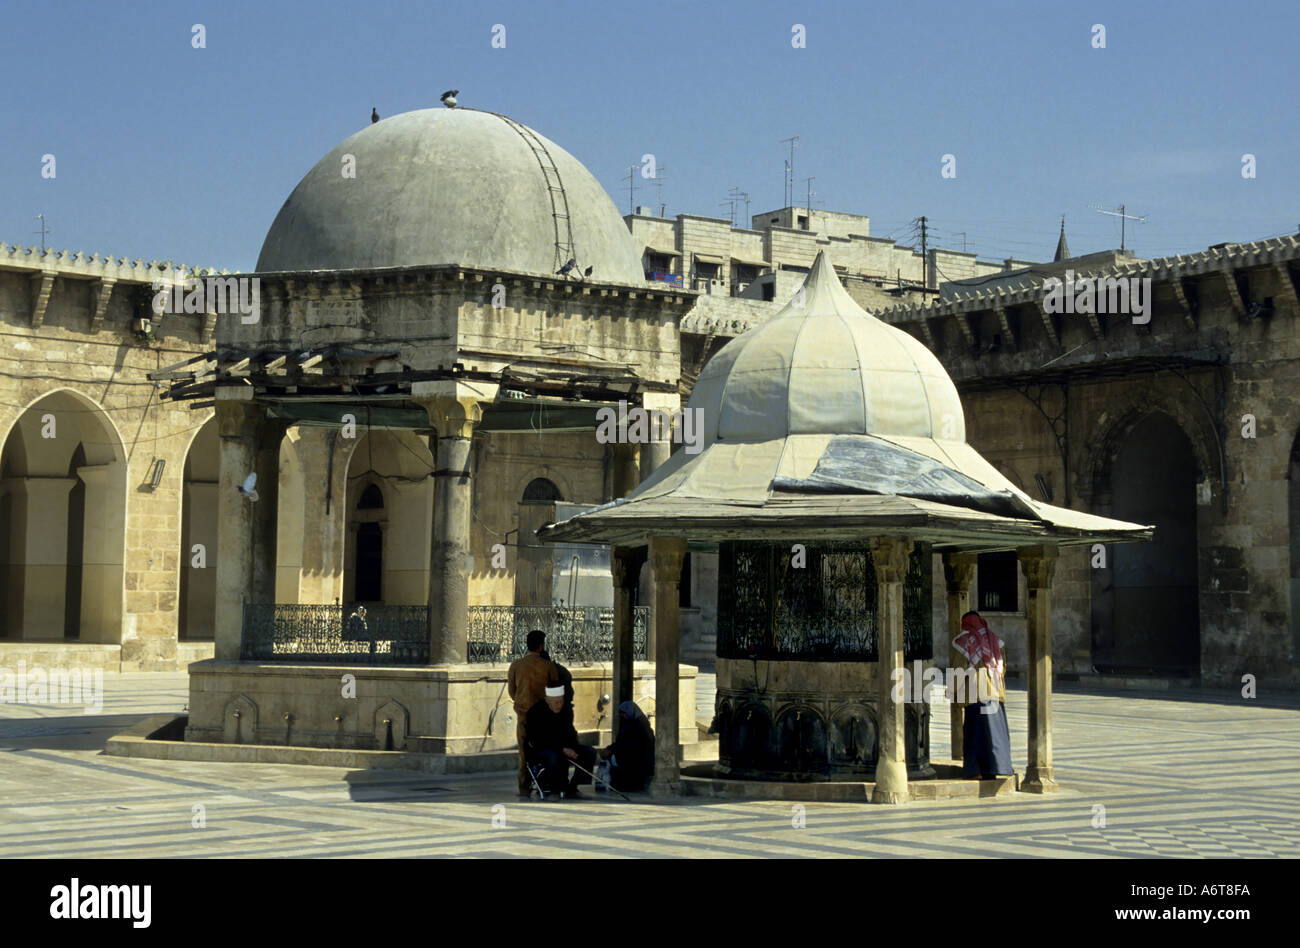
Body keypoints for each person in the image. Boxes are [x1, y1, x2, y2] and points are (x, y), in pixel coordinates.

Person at [953, 611, 1013, 779]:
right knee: (995, 732)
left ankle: (975, 771)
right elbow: (1004, 666)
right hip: (995, 693)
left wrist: (952, 690)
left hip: (976, 695)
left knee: (975, 734)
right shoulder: (996, 640)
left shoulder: (963, 641)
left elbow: (958, 669)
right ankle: (996, 768)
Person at [507, 630, 557, 797]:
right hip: (544, 719)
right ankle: (546, 783)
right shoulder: (548, 667)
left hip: (523, 716)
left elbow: (512, 692)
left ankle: (524, 787)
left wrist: (522, 703)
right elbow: (555, 692)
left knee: (523, 754)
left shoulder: (516, 666)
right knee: (545, 751)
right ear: (541, 646)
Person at [525, 685, 597, 799]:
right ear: (547, 700)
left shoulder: (566, 710)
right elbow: (538, 739)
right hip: (542, 749)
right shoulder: (535, 712)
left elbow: (570, 732)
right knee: (554, 756)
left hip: (565, 747)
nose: (559, 705)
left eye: (561, 701)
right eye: (556, 702)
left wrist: (573, 747)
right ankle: (555, 791)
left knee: (589, 752)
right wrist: (562, 749)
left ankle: (573, 788)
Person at [598, 700, 654, 792]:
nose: (623, 716)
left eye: (624, 713)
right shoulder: (631, 723)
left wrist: (612, 751)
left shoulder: (640, 726)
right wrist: (611, 748)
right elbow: (623, 741)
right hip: (630, 754)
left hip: (638, 759)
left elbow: (632, 745)